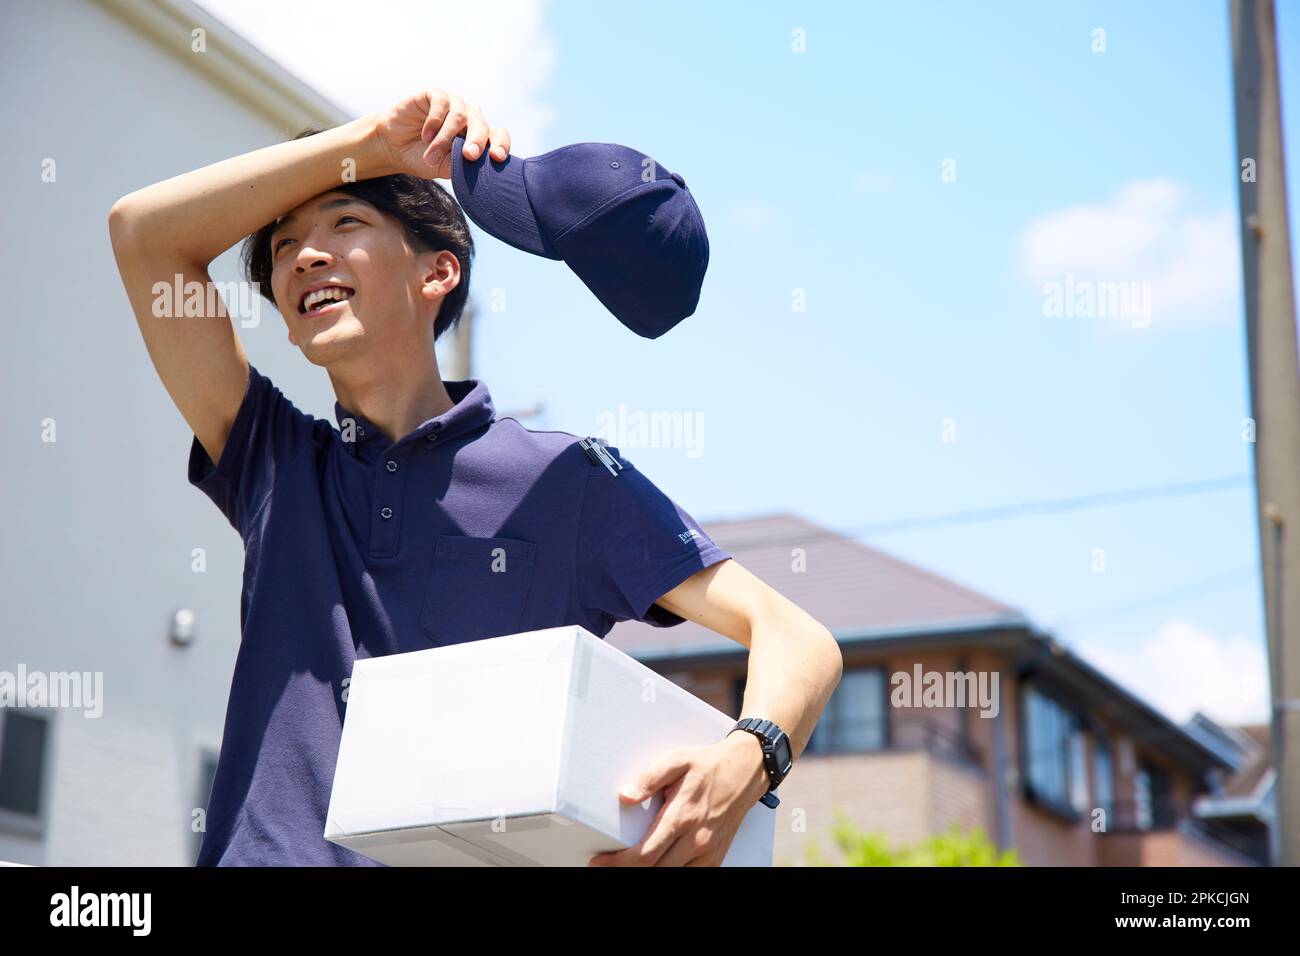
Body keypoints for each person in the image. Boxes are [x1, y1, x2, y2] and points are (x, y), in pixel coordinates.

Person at [108, 87, 842, 867]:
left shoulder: (566, 480)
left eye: (345, 223)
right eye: (285, 246)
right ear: (286, 319)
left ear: (439, 272)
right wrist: (371, 146)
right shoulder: (275, 461)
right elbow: (144, 236)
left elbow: (799, 639)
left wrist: (745, 760)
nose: (305, 255)